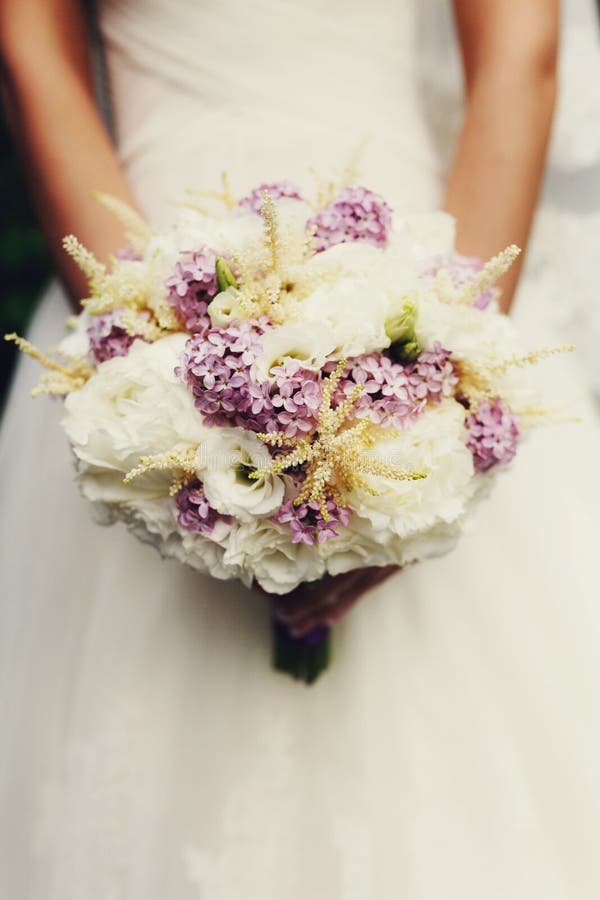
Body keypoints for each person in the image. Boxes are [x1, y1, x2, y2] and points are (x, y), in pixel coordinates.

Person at [0, 0, 599, 896]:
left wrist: (441, 387)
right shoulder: (146, 339)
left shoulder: (432, 351)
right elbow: (29, 48)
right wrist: (158, 354)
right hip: (131, 285)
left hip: (413, 285)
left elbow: (519, 60)